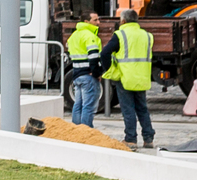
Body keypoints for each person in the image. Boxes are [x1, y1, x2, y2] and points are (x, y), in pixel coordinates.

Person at [106, 10, 156, 149]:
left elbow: (105, 53)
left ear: (123, 21)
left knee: (128, 109)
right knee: (142, 109)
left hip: (125, 77)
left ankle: (131, 139)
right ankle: (148, 139)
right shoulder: (147, 35)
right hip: (142, 77)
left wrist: (109, 70)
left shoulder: (120, 35)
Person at [64, 13, 105, 127]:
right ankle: (87, 132)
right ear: (87, 22)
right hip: (88, 75)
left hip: (77, 75)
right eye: (95, 20)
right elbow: (93, 57)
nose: (98, 22)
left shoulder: (74, 35)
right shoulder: (90, 36)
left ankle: (77, 132)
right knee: (88, 106)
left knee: (78, 105)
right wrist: (97, 73)